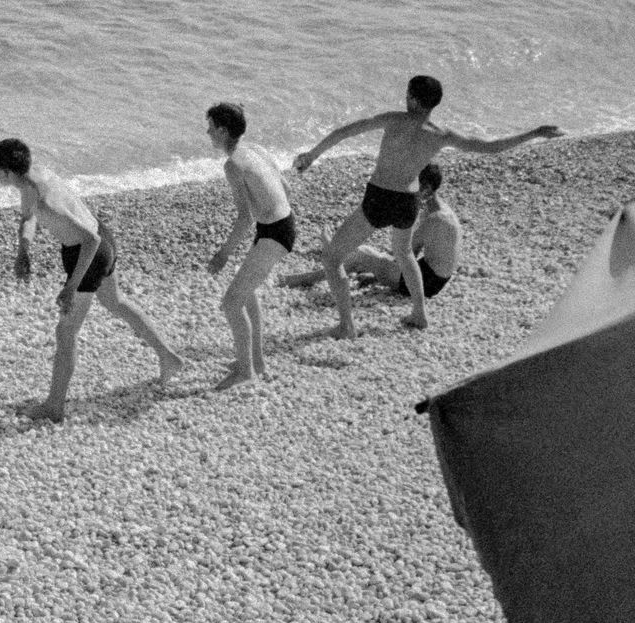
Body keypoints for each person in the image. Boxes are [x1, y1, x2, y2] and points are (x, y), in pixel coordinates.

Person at [293, 75, 560, 336]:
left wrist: (311, 156)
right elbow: (489, 147)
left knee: (332, 258)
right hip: (408, 202)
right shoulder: (440, 135)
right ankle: (419, 313)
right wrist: (534, 133)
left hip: (380, 197)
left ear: (412, 98)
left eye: (407, 93)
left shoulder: (394, 119)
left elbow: (344, 132)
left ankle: (346, 325)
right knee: (405, 254)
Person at [0, 138, 184, 422]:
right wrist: (23, 250)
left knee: (65, 333)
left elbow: (90, 241)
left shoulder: (44, 197)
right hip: (103, 241)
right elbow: (28, 217)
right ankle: (169, 358)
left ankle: (54, 407)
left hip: (88, 253)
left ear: (6, 172)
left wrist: (71, 286)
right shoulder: (32, 177)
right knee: (116, 303)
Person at [203, 102, 297, 391]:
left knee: (231, 303)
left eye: (210, 128)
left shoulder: (233, 165)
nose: (208, 133)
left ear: (222, 130)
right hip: (282, 224)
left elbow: (244, 218)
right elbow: (285, 187)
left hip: (275, 233)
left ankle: (245, 372)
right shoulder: (256, 149)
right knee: (246, 293)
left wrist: (223, 254)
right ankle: (256, 361)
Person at [281, 165, 460, 304]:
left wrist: (378, 266)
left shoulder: (434, 219)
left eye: (412, 183)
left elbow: (405, 255)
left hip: (427, 283)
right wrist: (378, 271)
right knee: (368, 255)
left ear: (426, 190)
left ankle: (305, 279)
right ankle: (340, 268)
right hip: (435, 277)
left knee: (361, 256)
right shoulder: (441, 210)